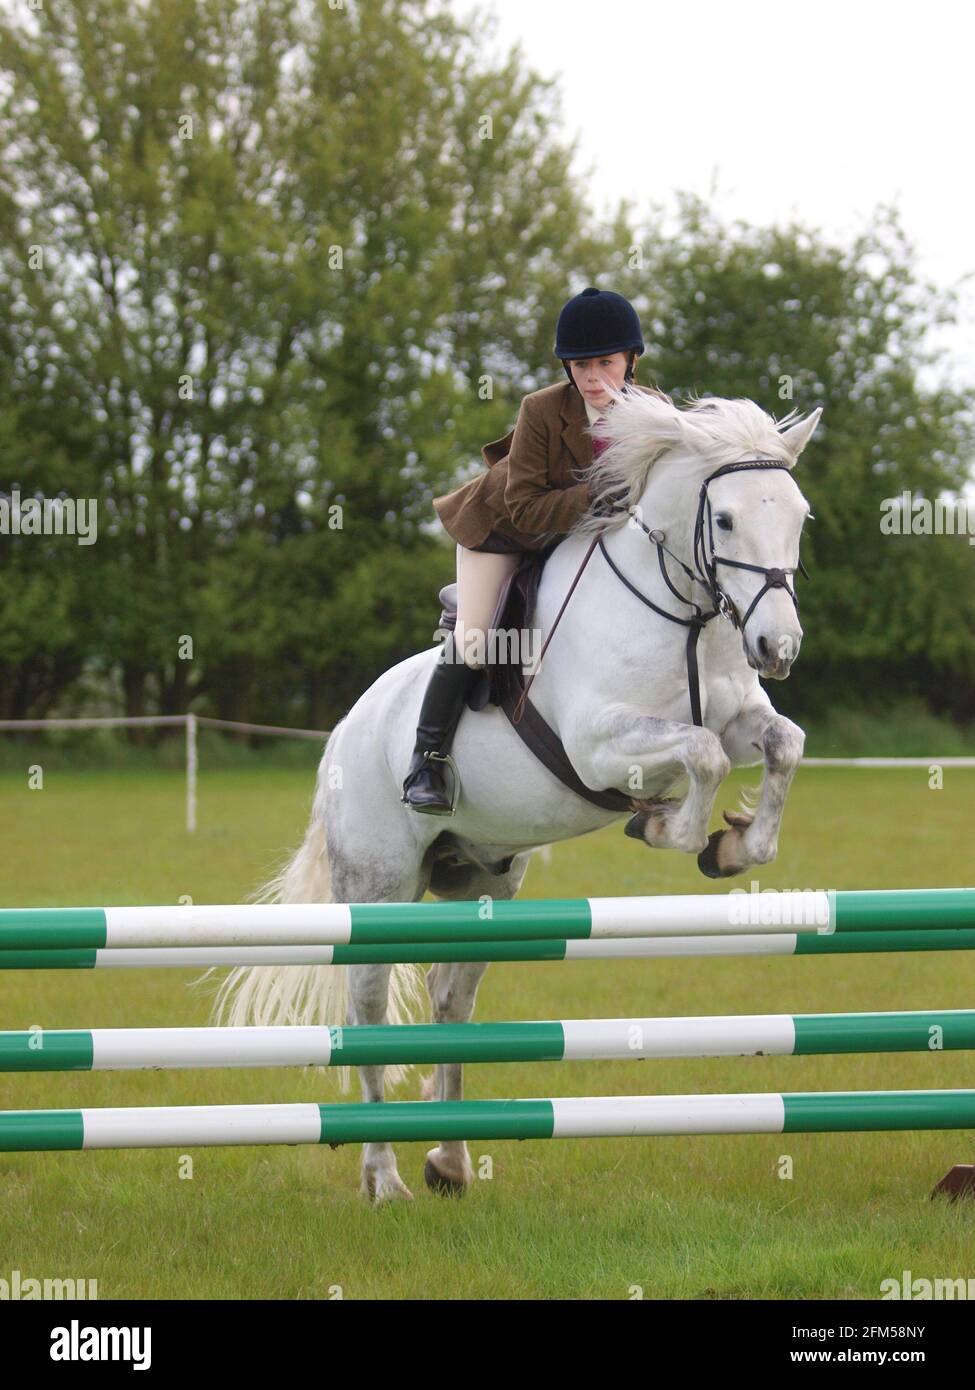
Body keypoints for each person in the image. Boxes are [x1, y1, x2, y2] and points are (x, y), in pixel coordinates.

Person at [401, 286, 670, 814]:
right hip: (503, 530)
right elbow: (524, 509)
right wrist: (597, 493)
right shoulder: (543, 410)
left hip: (584, 536)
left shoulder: (655, 410)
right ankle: (426, 762)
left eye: (605, 363)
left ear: (631, 361)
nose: (593, 379)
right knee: (476, 641)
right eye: (580, 366)